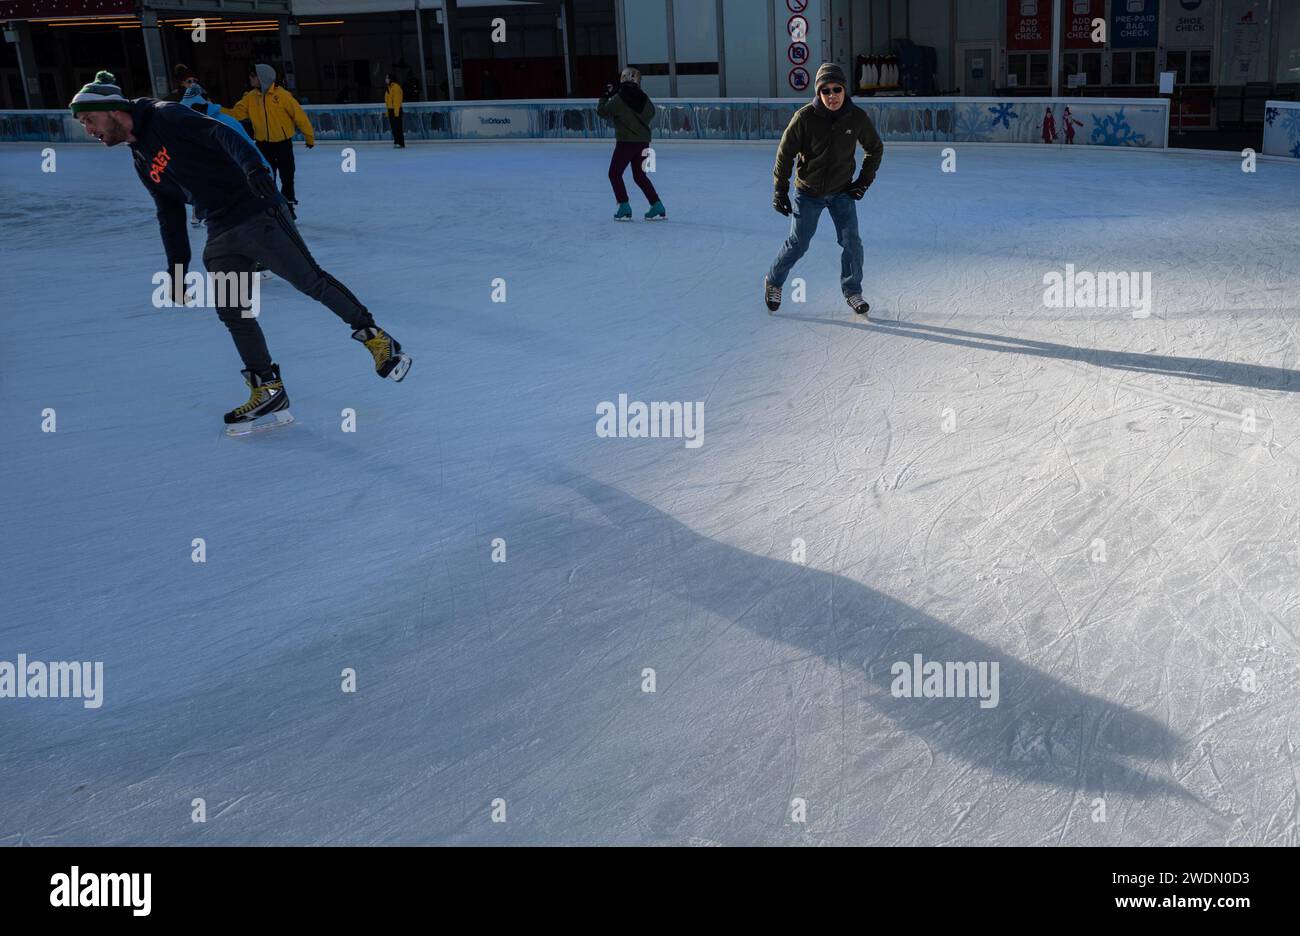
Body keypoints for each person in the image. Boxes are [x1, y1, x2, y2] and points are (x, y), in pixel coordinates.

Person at [69, 71, 411, 433]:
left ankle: (377, 339)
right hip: (220, 234)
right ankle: (268, 389)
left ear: (111, 110)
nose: (88, 130)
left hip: (256, 212)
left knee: (310, 281)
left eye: (89, 119)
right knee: (234, 312)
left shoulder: (165, 115)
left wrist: (253, 167)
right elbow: (169, 213)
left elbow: (222, 132)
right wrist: (177, 270)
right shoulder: (140, 158)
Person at [765, 62, 883, 316]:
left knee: (852, 242)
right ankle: (774, 280)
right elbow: (785, 154)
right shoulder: (805, 118)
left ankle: (853, 292)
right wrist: (780, 190)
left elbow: (875, 148)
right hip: (809, 193)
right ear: (818, 93)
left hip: (842, 191)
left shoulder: (856, 117)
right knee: (799, 244)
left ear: (844, 90)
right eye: (825, 91)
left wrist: (863, 182)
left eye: (836, 89)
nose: (832, 96)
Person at [225, 64, 314, 218]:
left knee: (287, 177)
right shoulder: (250, 97)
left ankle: (289, 207)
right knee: (266, 178)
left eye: (253, 76)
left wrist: (309, 136)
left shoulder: (282, 96)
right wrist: (213, 109)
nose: (250, 78)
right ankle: (270, 208)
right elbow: (236, 114)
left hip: (283, 144)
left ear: (262, 78)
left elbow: (299, 116)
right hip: (263, 145)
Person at [596, 67, 665, 221]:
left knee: (614, 174)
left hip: (626, 143)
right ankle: (657, 204)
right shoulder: (644, 98)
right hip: (644, 143)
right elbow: (651, 112)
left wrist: (605, 96)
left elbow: (602, 112)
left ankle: (624, 205)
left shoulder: (619, 98)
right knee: (640, 176)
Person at [383, 73, 405, 148]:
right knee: (394, 127)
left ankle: (400, 142)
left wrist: (396, 111)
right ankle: (396, 141)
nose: (386, 79)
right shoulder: (388, 88)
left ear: (391, 79)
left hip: (396, 110)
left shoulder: (395, 87)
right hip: (391, 110)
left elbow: (397, 100)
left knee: (398, 127)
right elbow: (388, 101)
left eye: (387, 78)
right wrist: (388, 111)